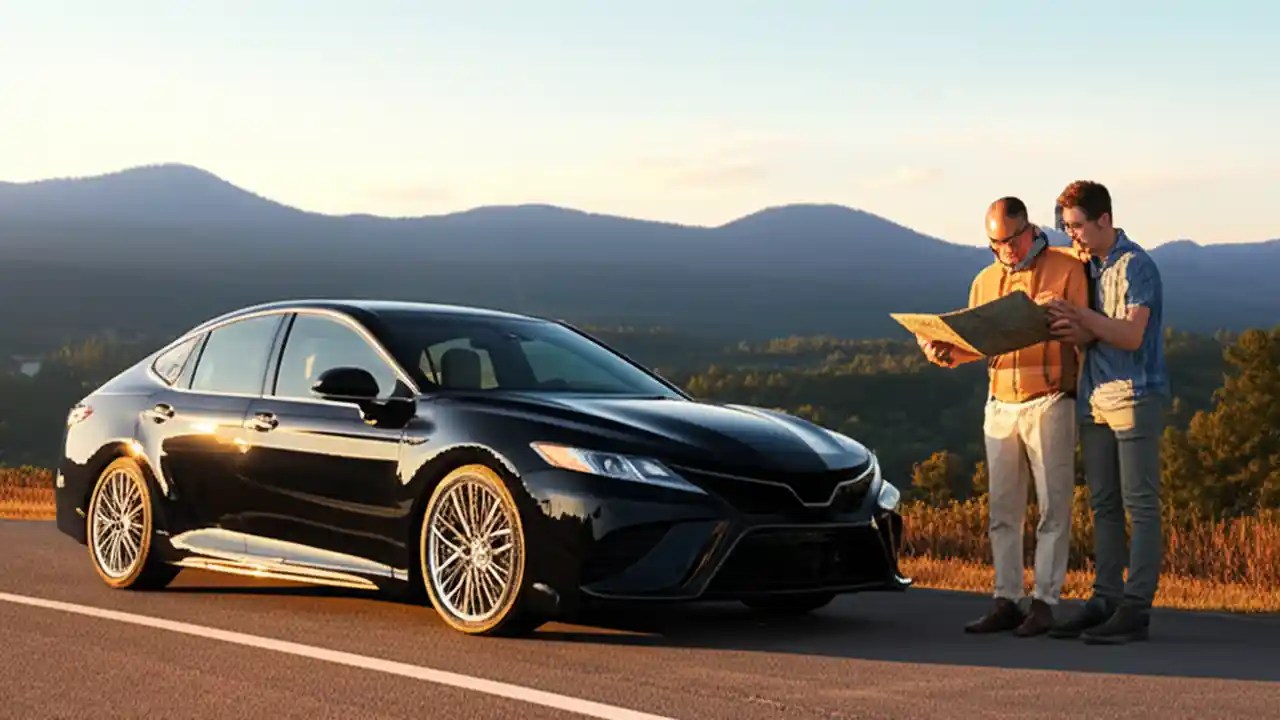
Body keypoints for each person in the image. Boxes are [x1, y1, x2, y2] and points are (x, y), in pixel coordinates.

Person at [918, 196, 1088, 637]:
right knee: (1003, 511)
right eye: (996, 243)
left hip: (1050, 398)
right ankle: (1006, 599)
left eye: (1012, 239)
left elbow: (1086, 332)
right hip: (1000, 404)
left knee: (1053, 507)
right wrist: (944, 353)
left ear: (1030, 229)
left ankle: (1046, 602)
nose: (1007, 250)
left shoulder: (1067, 267)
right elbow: (977, 347)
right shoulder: (984, 280)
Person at [1045, 180, 1169, 645]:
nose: (1070, 235)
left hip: (1135, 395)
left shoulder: (1138, 266)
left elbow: (1131, 335)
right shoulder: (1086, 268)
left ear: (1104, 219)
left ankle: (1135, 607)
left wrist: (1082, 320)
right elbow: (1092, 337)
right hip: (1094, 397)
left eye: (1077, 226)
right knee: (1103, 505)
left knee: (1140, 504)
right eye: (1065, 227)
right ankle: (1105, 599)